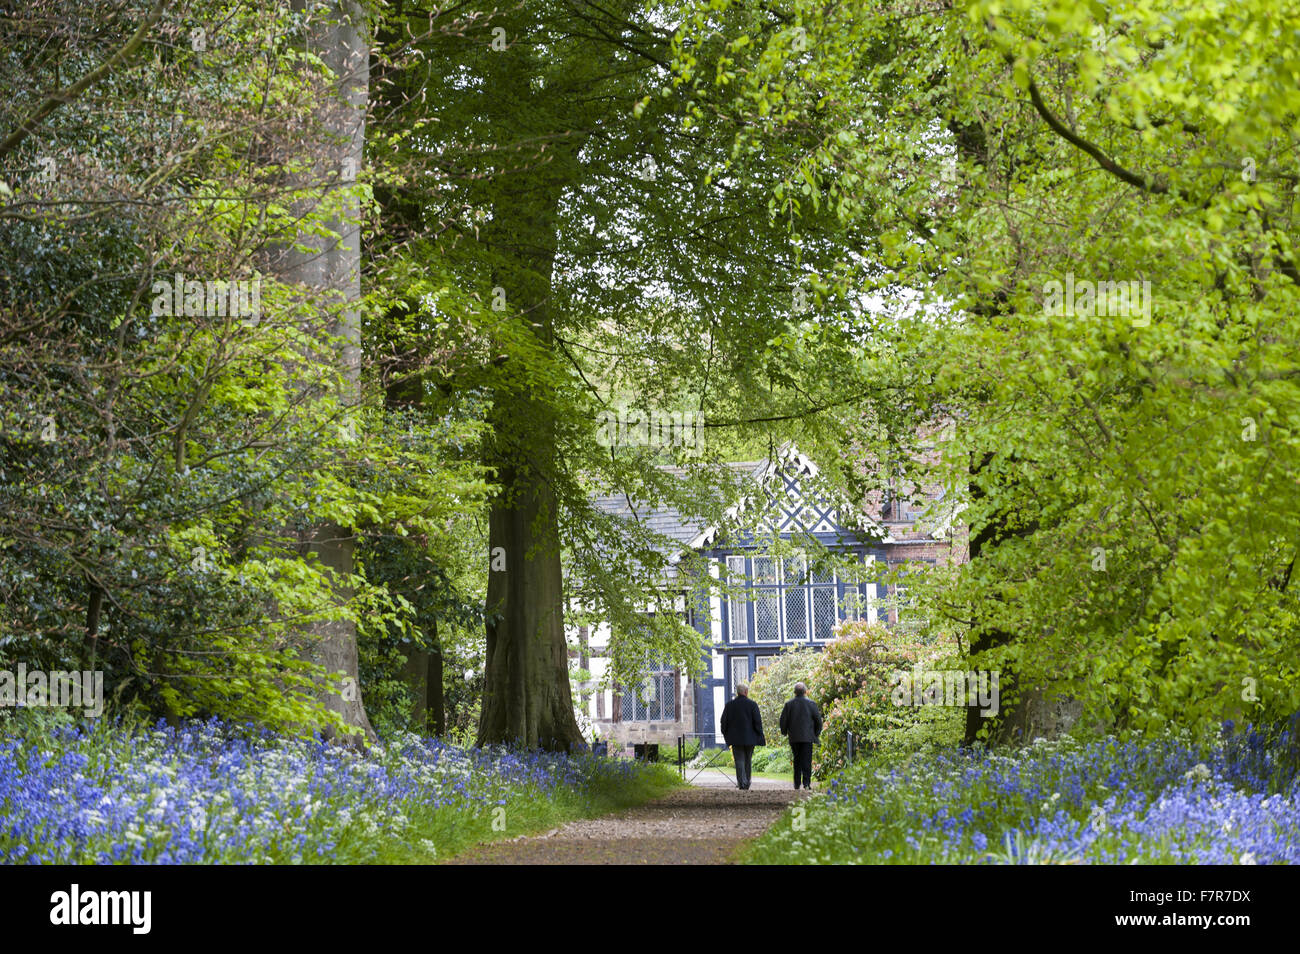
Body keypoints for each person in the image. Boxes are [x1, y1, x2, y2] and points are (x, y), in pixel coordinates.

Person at [719, 682, 765, 790]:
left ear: (738, 692)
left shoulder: (729, 705)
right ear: (746, 692)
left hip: (735, 739)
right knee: (748, 760)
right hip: (750, 738)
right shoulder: (752, 704)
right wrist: (759, 735)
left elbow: (723, 722)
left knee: (739, 761)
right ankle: (747, 781)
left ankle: (742, 782)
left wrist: (725, 734)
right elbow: (757, 722)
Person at [779, 682, 823, 790]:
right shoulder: (811, 704)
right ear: (805, 691)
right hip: (807, 737)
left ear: (795, 692)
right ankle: (806, 783)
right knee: (807, 760)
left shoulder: (789, 705)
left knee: (797, 759)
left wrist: (784, 731)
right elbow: (818, 721)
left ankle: (797, 783)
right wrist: (816, 733)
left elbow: (783, 720)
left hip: (794, 737)